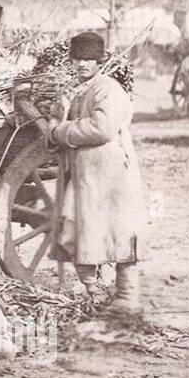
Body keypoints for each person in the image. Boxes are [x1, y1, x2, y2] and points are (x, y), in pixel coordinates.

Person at [46, 31, 148, 317]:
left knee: (119, 231)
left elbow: (102, 129)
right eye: (77, 59)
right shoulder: (72, 90)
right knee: (81, 231)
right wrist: (59, 116)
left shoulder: (108, 90)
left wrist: (60, 130)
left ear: (99, 61)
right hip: (82, 175)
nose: (81, 65)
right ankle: (96, 292)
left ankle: (128, 298)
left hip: (111, 174)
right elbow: (53, 125)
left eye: (88, 60)